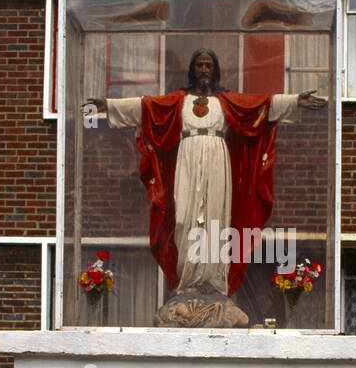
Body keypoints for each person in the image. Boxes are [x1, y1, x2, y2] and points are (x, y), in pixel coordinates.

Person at [90, 49, 326, 325]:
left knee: (216, 218)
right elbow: (145, 107)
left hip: (217, 158)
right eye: (200, 65)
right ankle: (187, 283)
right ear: (192, 69)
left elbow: (260, 104)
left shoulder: (226, 102)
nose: (204, 70)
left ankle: (214, 283)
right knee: (184, 221)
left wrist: (296, 100)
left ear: (215, 71)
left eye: (209, 65)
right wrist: (106, 105)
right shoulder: (178, 101)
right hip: (187, 157)